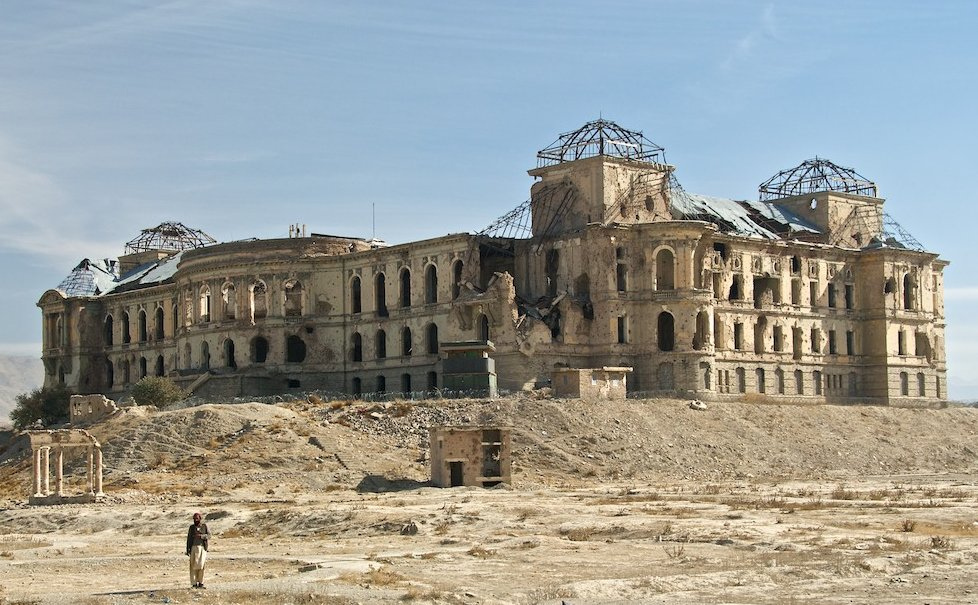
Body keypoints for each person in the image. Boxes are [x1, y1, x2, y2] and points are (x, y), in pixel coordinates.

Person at [185, 512, 210, 588]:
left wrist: (201, 536)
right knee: (193, 566)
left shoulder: (204, 526)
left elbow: (209, 535)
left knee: (201, 566)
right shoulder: (192, 527)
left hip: (202, 548)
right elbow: (189, 538)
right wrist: (188, 549)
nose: (195, 520)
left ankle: (201, 582)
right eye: (194, 519)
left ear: (200, 519)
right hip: (193, 548)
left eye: (197, 518)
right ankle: (194, 583)